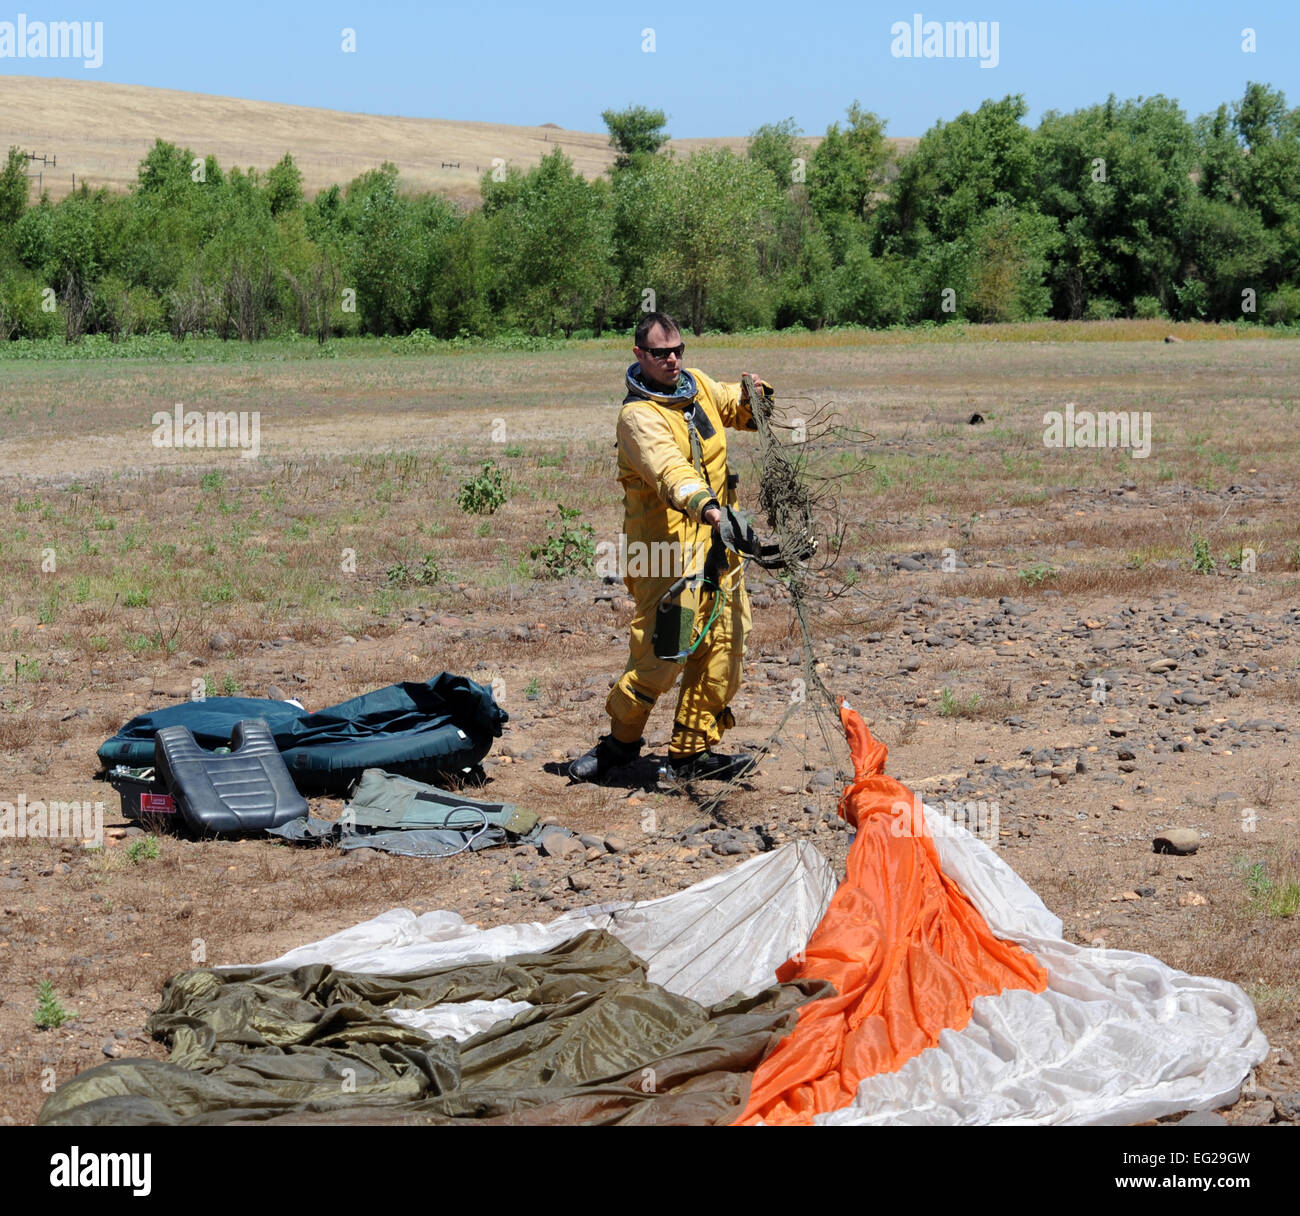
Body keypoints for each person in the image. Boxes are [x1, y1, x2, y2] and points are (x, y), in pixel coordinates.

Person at [570, 311, 769, 783]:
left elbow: (735, 407)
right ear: (639, 355)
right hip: (666, 556)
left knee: (725, 645)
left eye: (678, 350)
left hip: (719, 548)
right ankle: (619, 746)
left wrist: (755, 397)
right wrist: (709, 507)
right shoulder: (637, 417)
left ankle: (690, 754)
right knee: (662, 657)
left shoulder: (695, 384)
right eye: (661, 353)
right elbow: (669, 472)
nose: (673, 359)